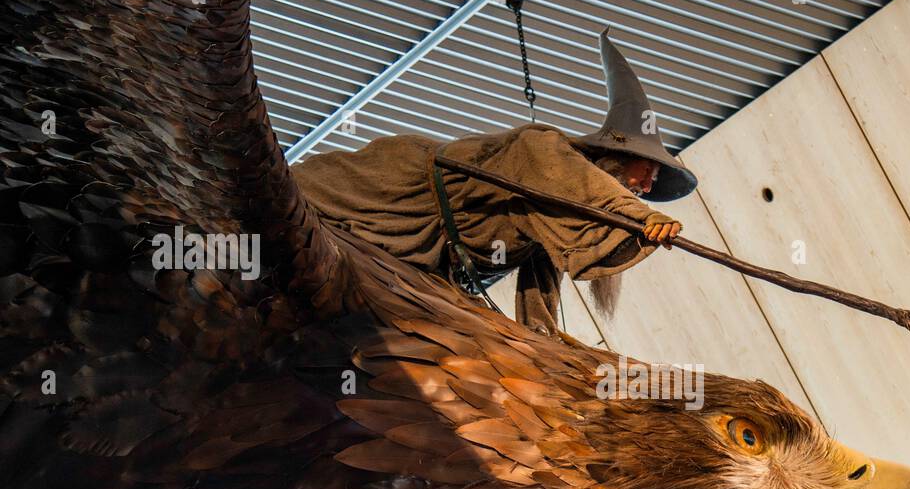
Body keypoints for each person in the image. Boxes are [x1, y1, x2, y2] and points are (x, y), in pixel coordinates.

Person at [292, 29, 697, 334]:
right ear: (621, 153)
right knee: (286, 209)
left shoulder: (551, 214)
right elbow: (582, 186)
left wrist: (541, 339)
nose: (646, 186)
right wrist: (637, 218)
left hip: (425, 263)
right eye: (650, 172)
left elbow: (541, 280)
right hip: (389, 190)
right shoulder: (543, 148)